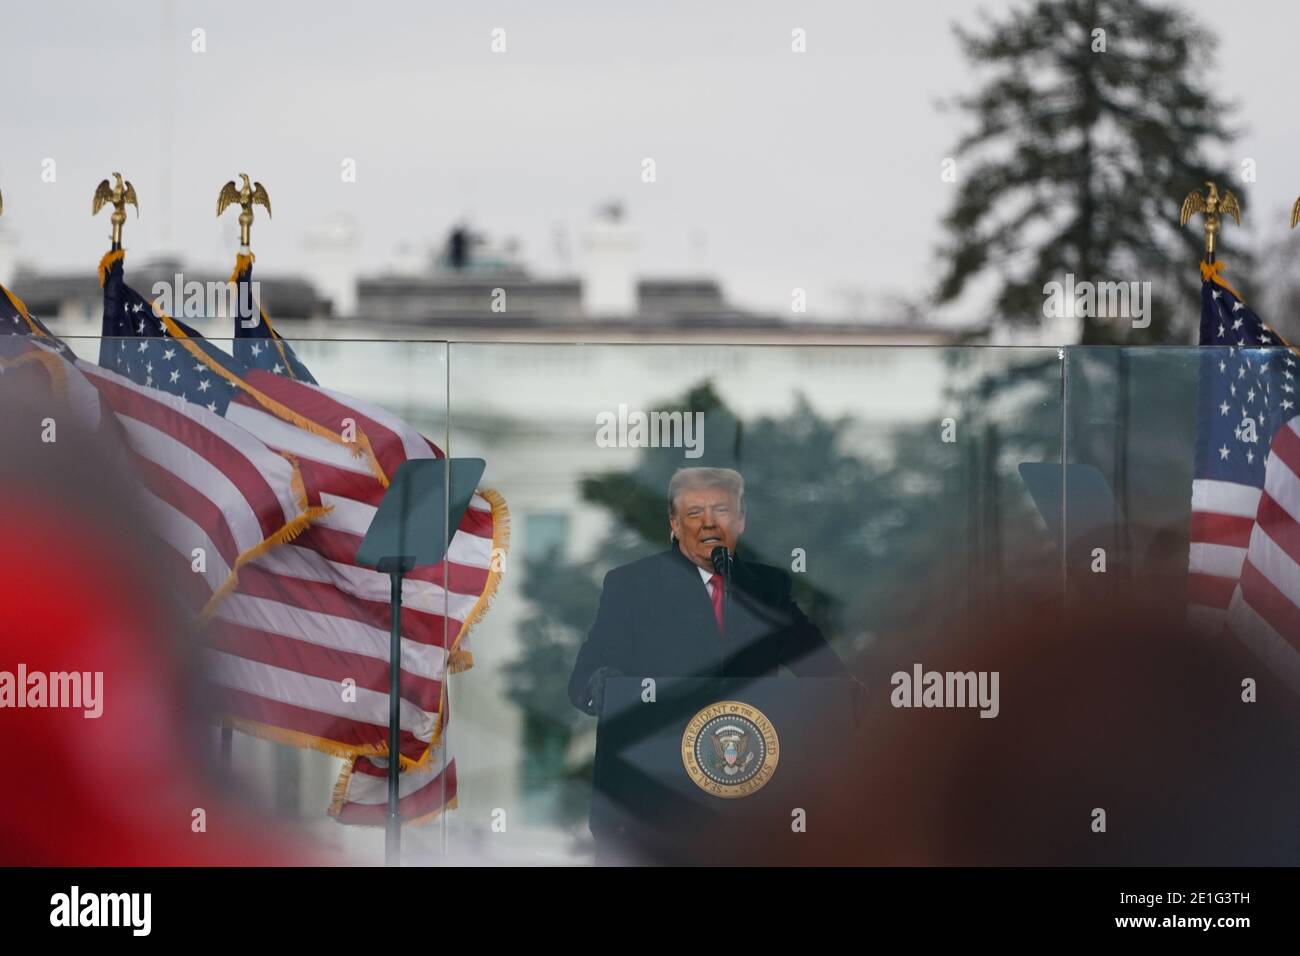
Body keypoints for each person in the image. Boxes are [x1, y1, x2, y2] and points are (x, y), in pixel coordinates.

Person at [568, 467, 850, 717]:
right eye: (694, 513)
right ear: (675, 524)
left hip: (755, 749)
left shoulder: (768, 587)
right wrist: (604, 685)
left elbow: (829, 676)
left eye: (721, 511)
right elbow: (584, 680)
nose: (709, 523)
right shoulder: (632, 585)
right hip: (663, 748)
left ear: (740, 521)